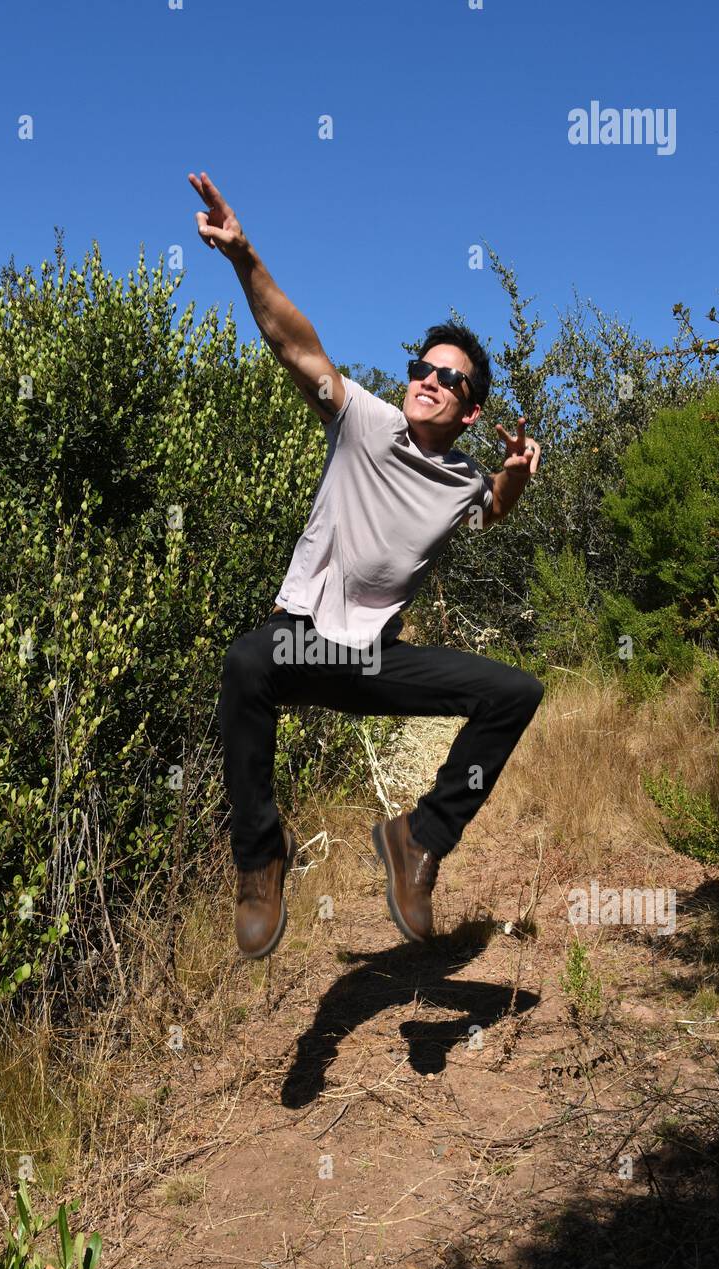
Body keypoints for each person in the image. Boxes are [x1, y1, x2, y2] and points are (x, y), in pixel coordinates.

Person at [189, 170, 545, 960]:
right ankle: (260, 861)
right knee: (247, 661)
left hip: (372, 661)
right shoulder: (362, 420)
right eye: (423, 367)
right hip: (303, 645)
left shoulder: (461, 481)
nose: (428, 380)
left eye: (448, 378)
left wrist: (517, 472)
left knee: (516, 692)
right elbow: (292, 340)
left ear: (471, 408)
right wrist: (243, 255)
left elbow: (491, 506)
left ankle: (418, 838)